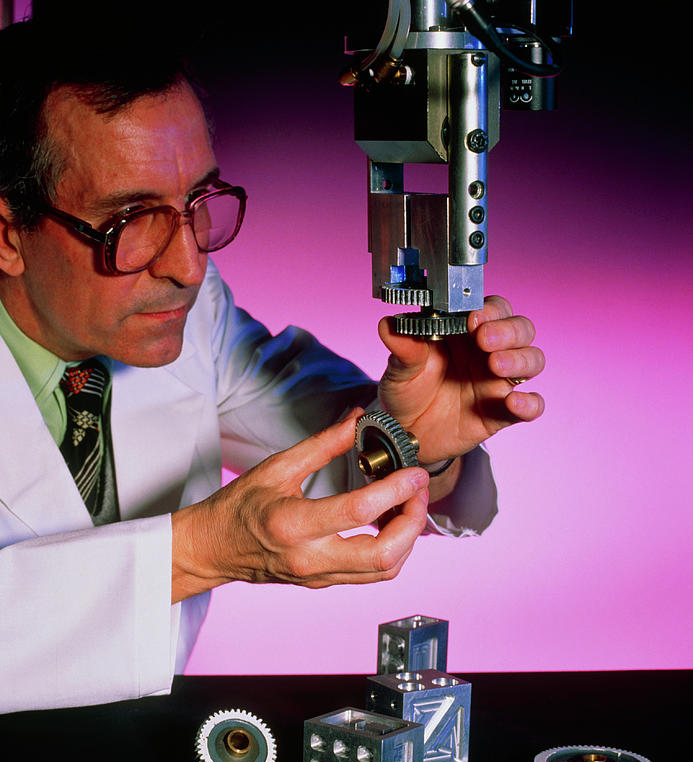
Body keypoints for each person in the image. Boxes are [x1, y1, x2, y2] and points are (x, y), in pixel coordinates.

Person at [0, 20, 545, 713]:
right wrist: (196, 553)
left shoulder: (189, 317)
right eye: (129, 220)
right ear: (9, 233)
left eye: (197, 203)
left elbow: (303, 452)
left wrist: (415, 440)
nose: (188, 264)